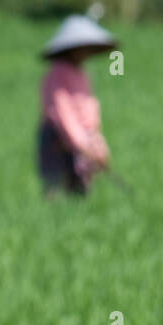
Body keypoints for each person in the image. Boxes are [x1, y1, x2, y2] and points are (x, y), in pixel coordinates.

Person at [37, 15, 118, 197]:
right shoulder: (58, 73)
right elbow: (61, 111)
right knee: (55, 185)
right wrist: (81, 143)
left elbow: (90, 108)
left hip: (83, 137)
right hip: (58, 136)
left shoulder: (82, 73)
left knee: (81, 185)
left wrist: (95, 143)